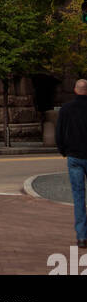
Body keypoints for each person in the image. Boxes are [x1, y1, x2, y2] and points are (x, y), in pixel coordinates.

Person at [55, 77, 87, 249]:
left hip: (74, 156)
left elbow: (59, 132)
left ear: (75, 90)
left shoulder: (66, 109)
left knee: (79, 196)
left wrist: (62, 150)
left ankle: (82, 236)